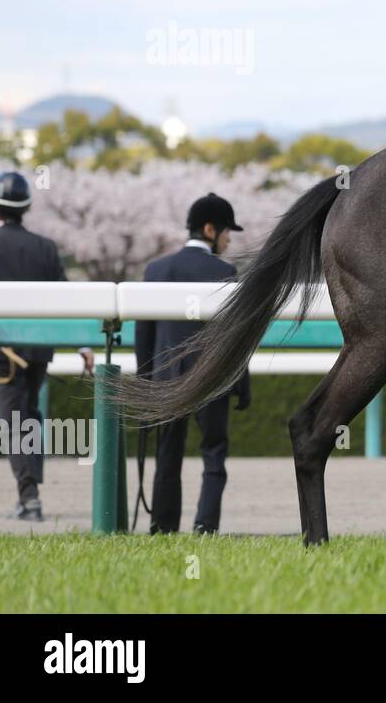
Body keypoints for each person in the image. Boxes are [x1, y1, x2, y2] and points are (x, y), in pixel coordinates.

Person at [136, 193, 250, 534]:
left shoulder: (156, 269)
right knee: (213, 453)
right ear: (210, 229)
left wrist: (145, 382)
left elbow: (144, 333)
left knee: (167, 456)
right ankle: (205, 526)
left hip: (167, 379)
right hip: (211, 378)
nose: (230, 239)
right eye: (228, 231)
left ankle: (162, 526)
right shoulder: (225, 271)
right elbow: (236, 335)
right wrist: (241, 384)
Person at [0, 171, 93, 520]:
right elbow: (65, 302)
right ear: (27, 207)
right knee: (30, 418)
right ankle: (29, 491)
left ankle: (30, 498)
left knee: (15, 423)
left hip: (3, 355)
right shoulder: (46, 247)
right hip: (38, 351)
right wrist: (83, 345)